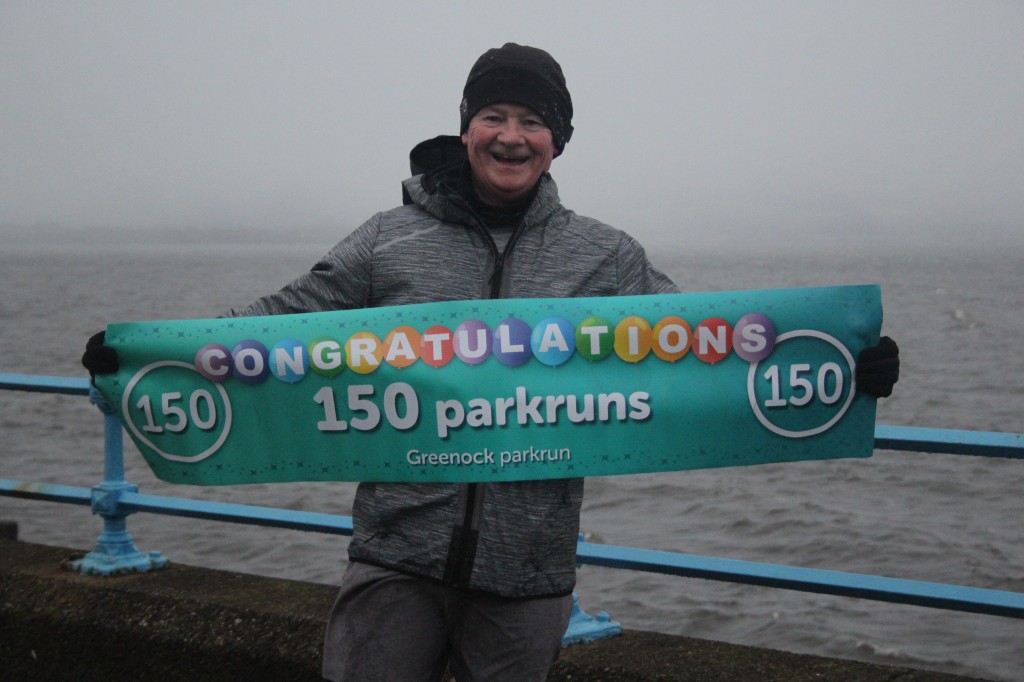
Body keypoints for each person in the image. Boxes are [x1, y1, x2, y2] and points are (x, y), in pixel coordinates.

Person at [83, 43, 900, 682]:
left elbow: (704, 353)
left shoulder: (606, 257)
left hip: (530, 570)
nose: (512, 136)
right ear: (466, 124)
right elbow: (283, 323)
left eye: (534, 121)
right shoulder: (387, 237)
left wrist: (840, 361)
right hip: (394, 557)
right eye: (495, 115)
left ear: (559, 141)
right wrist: (152, 357)